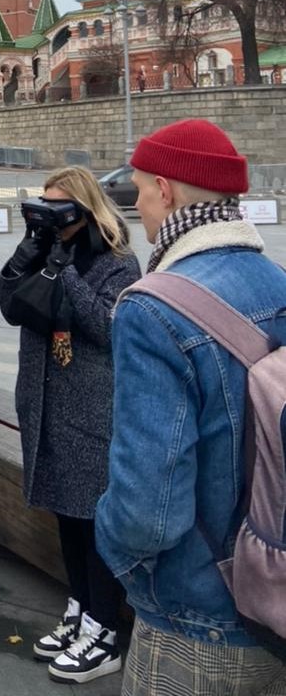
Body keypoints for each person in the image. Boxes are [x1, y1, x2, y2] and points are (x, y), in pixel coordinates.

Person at [95, 120, 286, 696]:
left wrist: (112, 545)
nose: (140, 208)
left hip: (196, 619)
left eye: (140, 191)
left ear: (166, 190)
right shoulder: (277, 282)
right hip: (273, 593)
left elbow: (146, 514)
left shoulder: (154, 309)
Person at [0, 166, 140, 684]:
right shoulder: (42, 249)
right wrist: (28, 257)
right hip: (45, 402)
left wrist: (69, 272)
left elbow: (109, 326)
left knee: (96, 518)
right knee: (66, 512)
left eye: (57, 208)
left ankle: (104, 630)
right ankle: (80, 607)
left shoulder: (119, 263)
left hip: (90, 409)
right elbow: (11, 308)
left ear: (83, 210)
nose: (47, 216)